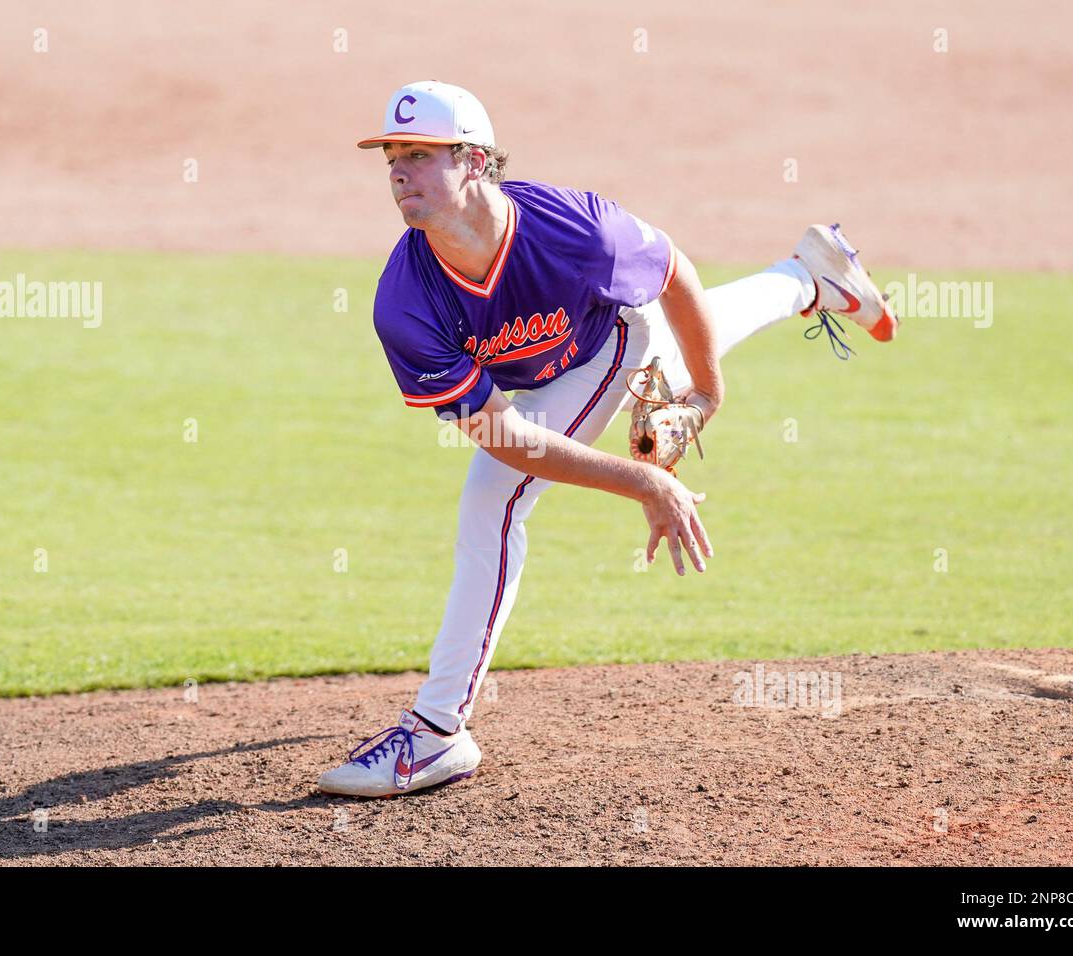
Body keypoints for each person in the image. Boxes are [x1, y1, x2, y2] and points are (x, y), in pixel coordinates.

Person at [317, 80, 897, 798]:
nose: (400, 171)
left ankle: (437, 735)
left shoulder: (576, 230)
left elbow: (674, 275)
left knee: (491, 502)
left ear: (473, 161)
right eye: (392, 157)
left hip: (614, 341)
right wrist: (643, 478)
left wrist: (708, 395)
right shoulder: (404, 300)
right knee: (513, 464)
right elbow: (503, 432)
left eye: (420, 154)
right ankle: (810, 276)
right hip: (543, 379)